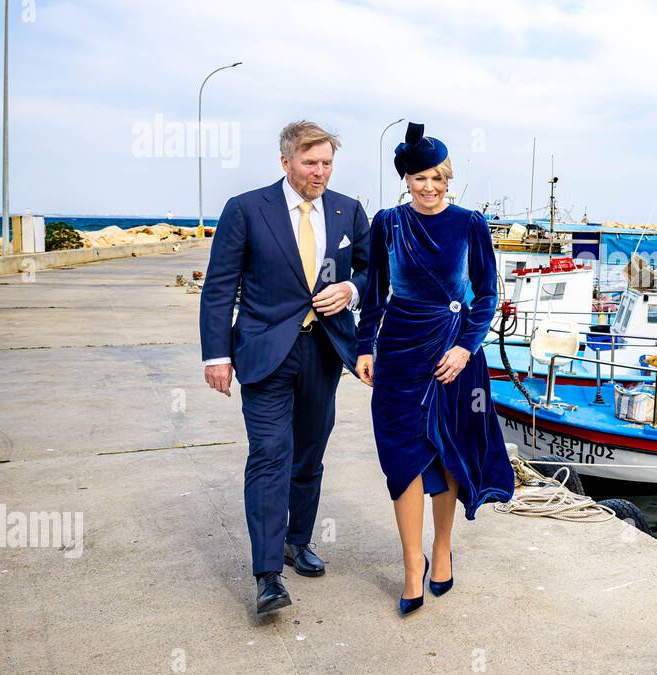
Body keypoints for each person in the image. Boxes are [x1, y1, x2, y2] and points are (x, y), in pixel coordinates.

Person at [199, 121, 370, 615]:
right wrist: (216, 355)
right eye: (310, 162)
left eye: (326, 163)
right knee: (271, 453)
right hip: (264, 353)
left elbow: (368, 269)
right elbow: (219, 286)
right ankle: (268, 573)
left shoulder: (347, 210)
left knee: (309, 455)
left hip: (324, 352)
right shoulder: (247, 209)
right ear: (286, 162)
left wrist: (351, 290)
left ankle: (298, 541)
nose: (320, 172)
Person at [355, 122, 514, 616]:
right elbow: (374, 290)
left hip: (453, 356)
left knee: (448, 454)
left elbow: (487, 295)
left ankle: (442, 548)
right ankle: (410, 563)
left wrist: (466, 346)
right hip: (400, 355)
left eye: (437, 178)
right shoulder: (387, 222)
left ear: (449, 179)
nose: (428, 187)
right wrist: (365, 347)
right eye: (419, 178)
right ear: (406, 179)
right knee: (401, 461)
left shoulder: (470, 224)